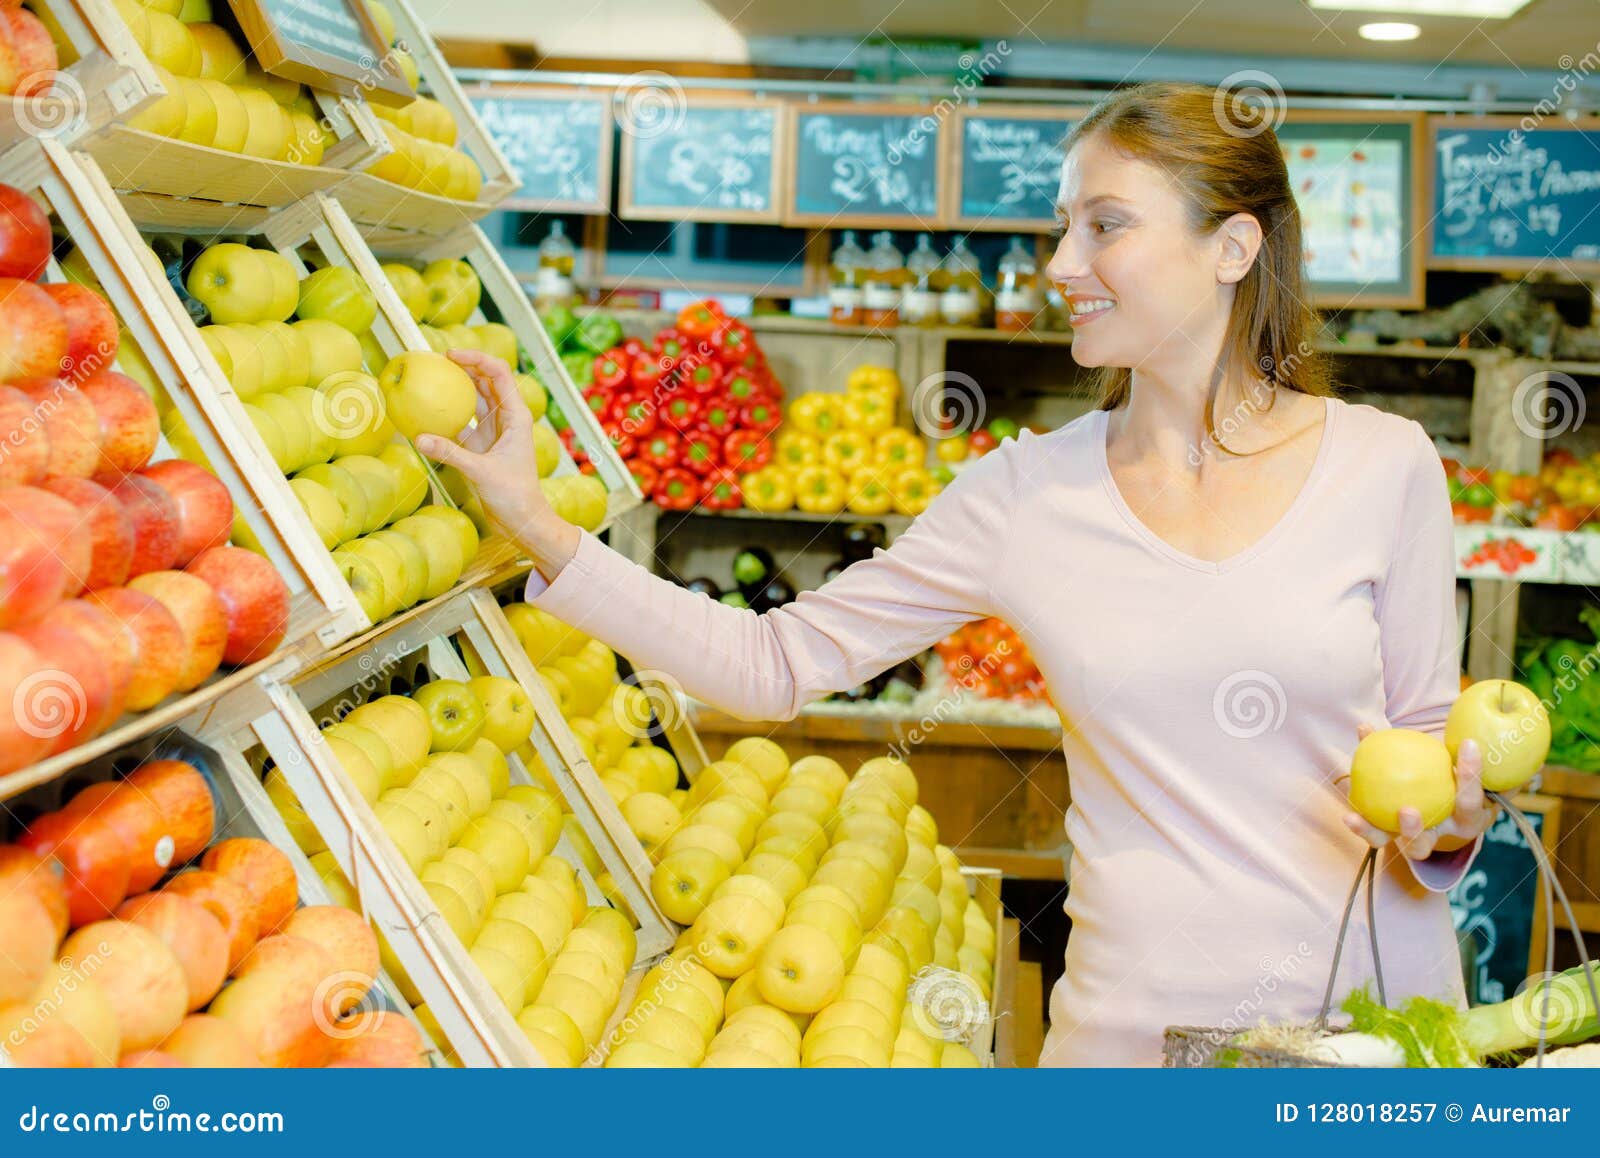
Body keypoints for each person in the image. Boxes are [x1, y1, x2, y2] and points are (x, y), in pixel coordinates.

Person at [419, 81, 1494, 1067]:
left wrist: (1448, 819)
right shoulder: (1024, 497)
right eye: (1063, 228)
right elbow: (772, 662)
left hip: (1374, 1033)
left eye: (1106, 226)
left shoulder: (1381, 463)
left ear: (1233, 246)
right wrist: (543, 530)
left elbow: (1436, 753)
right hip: (1129, 1044)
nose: (1063, 265)